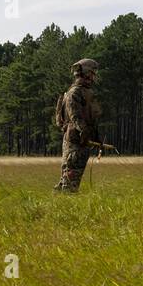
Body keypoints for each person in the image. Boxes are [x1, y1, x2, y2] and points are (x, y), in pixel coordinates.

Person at [54, 59, 104, 192]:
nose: (94, 76)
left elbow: (91, 118)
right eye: (93, 73)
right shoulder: (74, 93)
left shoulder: (86, 92)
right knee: (70, 181)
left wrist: (96, 137)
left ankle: (57, 203)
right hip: (75, 141)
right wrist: (84, 131)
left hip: (81, 142)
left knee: (69, 179)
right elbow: (75, 116)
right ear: (87, 73)